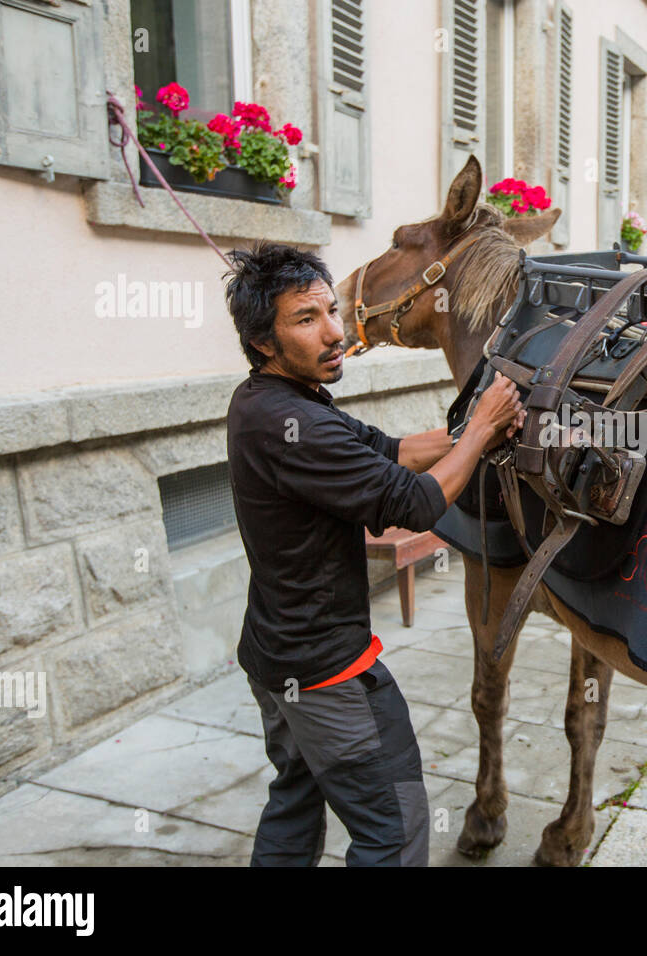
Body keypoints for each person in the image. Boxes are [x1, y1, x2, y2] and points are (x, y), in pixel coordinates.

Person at [223, 242, 522, 866]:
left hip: (275, 658)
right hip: (327, 670)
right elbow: (413, 504)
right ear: (262, 342)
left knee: (296, 799)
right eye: (306, 320)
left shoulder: (271, 402)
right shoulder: (293, 426)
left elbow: (393, 450)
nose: (335, 332)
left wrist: (480, 426)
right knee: (395, 828)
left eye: (332, 311)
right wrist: (486, 431)